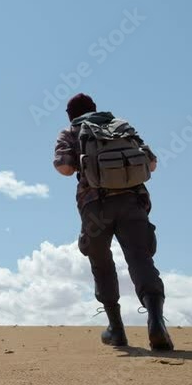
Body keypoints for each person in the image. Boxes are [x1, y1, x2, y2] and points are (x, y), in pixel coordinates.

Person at [52, 93, 173, 351]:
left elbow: (63, 167)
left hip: (95, 206)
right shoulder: (121, 126)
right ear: (96, 108)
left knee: (101, 262)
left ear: (70, 114)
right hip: (132, 201)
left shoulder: (71, 130)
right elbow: (151, 163)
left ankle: (116, 330)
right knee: (141, 259)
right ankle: (155, 321)